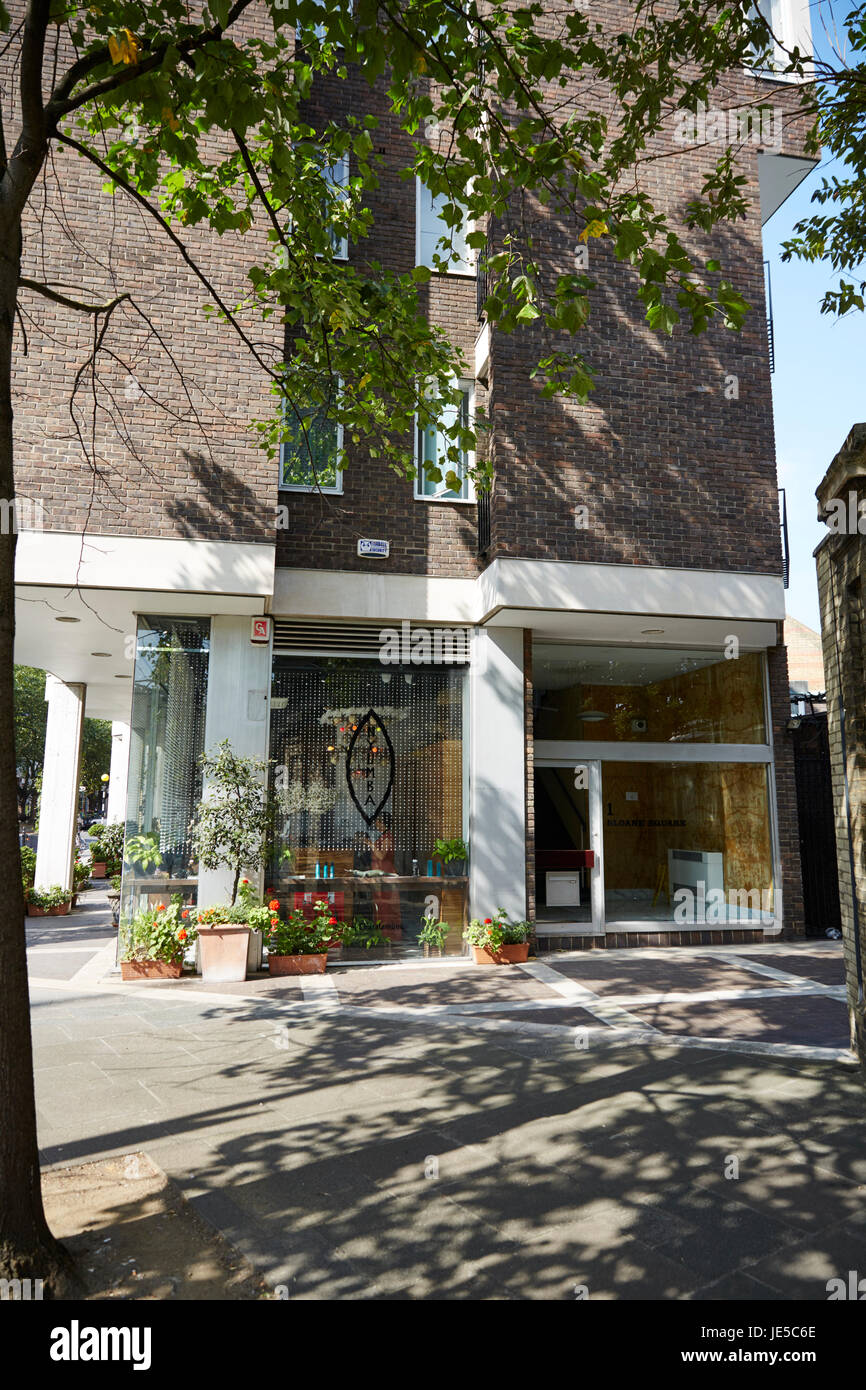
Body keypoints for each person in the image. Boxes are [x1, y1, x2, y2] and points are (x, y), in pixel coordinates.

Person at [368, 812, 401, 929]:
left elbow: (382, 855)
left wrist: (370, 844)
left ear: (383, 823)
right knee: (380, 902)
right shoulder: (383, 837)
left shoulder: (387, 837)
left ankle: (388, 933)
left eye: (378, 821)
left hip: (385, 872)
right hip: (379, 873)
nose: (376, 824)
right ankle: (381, 930)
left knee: (385, 903)